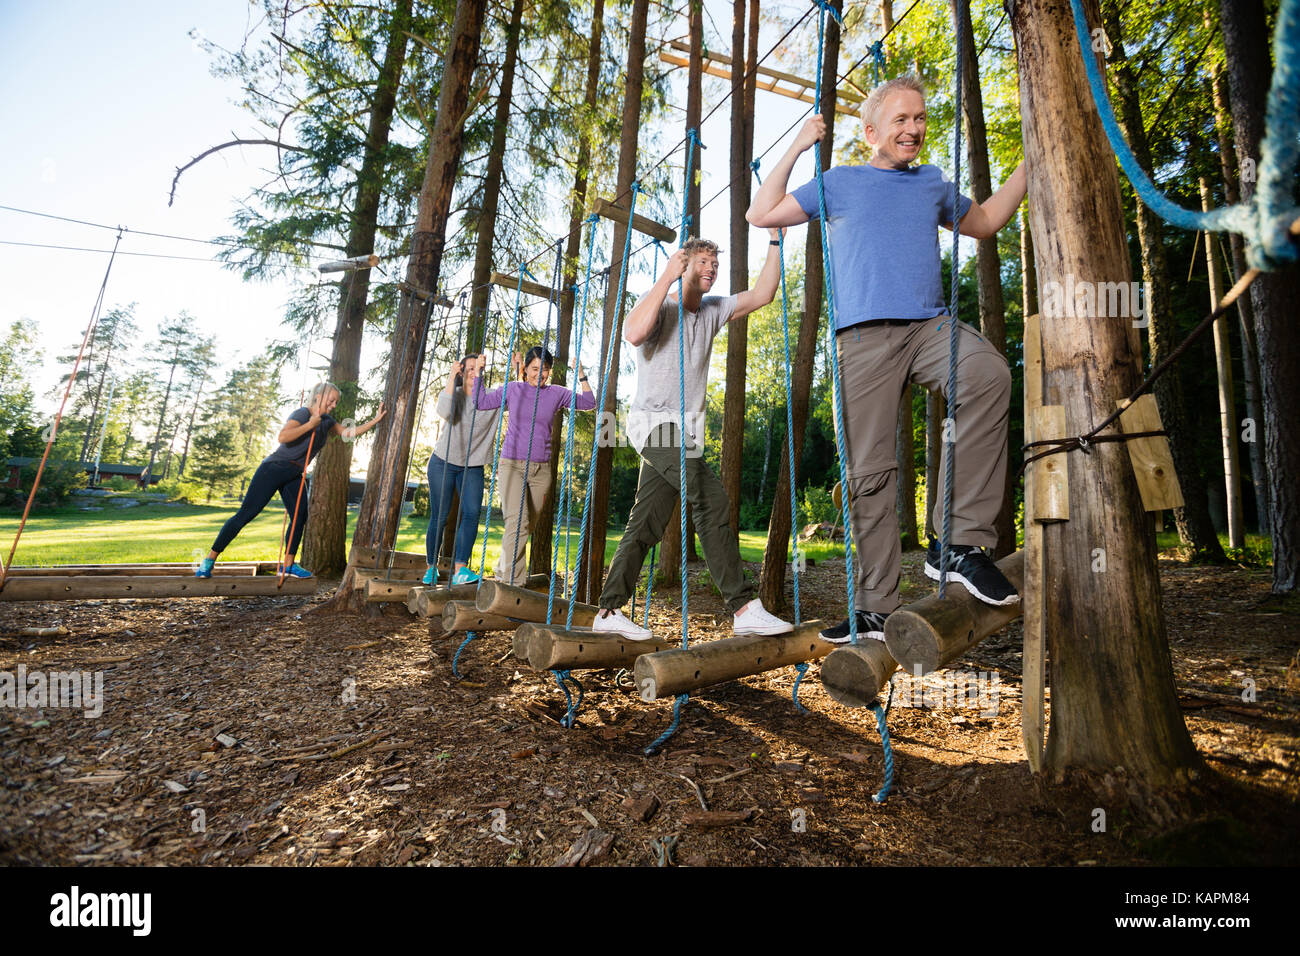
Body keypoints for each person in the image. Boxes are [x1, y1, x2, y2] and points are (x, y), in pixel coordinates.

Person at [747, 74, 1028, 644]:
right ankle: (874, 606)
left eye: (920, 118)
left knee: (988, 373)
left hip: (929, 325)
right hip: (863, 341)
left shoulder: (932, 184)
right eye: (901, 120)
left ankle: (957, 544)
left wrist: (1032, 163)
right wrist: (799, 145)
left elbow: (987, 222)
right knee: (870, 472)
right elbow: (761, 213)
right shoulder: (839, 182)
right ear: (872, 131)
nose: (915, 129)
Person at [592, 231, 794, 641]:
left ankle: (608, 610)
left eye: (714, 265)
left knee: (645, 524)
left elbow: (762, 294)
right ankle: (742, 606)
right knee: (712, 499)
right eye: (703, 262)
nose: (712, 269)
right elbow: (632, 333)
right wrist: (666, 276)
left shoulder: (713, 311)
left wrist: (775, 243)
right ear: (685, 266)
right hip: (654, 426)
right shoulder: (661, 306)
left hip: (685, 434)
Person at [195, 382, 386, 578]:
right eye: (331, 400)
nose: (334, 405)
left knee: (299, 517)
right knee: (247, 513)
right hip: (274, 468)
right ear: (319, 397)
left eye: (336, 402)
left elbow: (347, 433)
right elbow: (283, 437)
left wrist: (376, 420)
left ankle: (288, 564)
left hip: (294, 474)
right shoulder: (302, 414)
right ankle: (208, 561)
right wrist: (310, 425)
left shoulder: (327, 421)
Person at [475, 346, 597, 585]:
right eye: (534, 368)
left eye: (545, 370)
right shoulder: (513, 389)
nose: (539, 374)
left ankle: (503, 569)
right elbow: (480, 402)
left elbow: (589, 402)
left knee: (526, 526)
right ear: (525, 368)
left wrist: (581, 374)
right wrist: (479, 372)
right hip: (512, 465)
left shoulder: (556, 393)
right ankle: (510, 583)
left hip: (542, 470)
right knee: (517, 523)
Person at [422, 353, 500, 586]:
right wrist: (450, 375)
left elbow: (516, 396)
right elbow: (444, 412)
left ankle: (460, 570)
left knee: (472, 513)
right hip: (443, 461)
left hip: (472, 465)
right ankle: (431, 567)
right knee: (440, 516)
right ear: (462, 372)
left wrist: (517, 370)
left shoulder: (492, 399)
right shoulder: (453, 395)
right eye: (470, 369)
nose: (474, 372)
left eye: (479, 368)